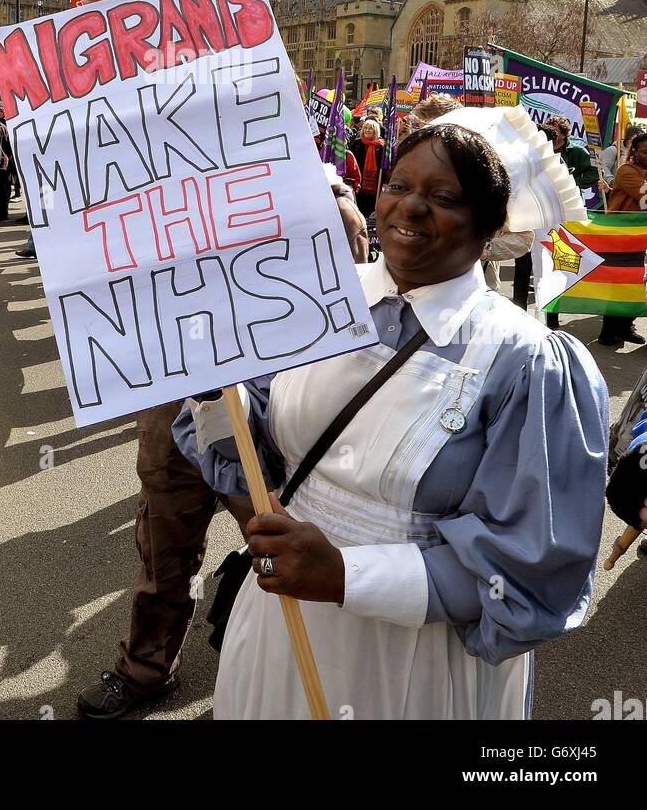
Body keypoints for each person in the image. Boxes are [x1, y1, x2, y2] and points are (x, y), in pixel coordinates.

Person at [174, 122, 609, 720]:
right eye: (398, 184)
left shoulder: (527, 362)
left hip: (414, 658)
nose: (410, 205)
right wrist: (210, 391)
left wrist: (346, 575)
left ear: (490, 226)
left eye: (445, 197)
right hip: (281, 617)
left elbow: (530, 567)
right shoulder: (316, 299)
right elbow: (257, 450)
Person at [77, 0, 371, 720]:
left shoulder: (322, 203)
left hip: (265, 425)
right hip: (173, 413)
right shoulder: (154, 195)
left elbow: (344, 309)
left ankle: (303, 675)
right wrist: (99, 25)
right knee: (160, 557)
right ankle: (147, 670)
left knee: (281, 551)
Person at [512, 114, 602, 333]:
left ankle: (551, 321)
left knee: (550, 271)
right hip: (527, 224)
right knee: (523, 271)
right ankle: (518, 315)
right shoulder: (524, 160)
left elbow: (567, 193)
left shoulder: (557, 163)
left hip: (549, 227)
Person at [596, 129, 647, 346]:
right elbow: (644, 197)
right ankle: (608, 331)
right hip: (624, 237)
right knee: (620, 284)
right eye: (645, 151)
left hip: (641, 238)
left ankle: (626, 327)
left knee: (637, 284)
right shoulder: (626, 171)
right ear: (634, 151)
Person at [354, 117, 384, 218]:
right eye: (365, 128)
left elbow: (384, 167)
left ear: (375, 130)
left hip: (375, 185)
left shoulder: (381, 147)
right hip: (359, 183)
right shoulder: (356, 143)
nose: (367, 130)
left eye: (370, 128)